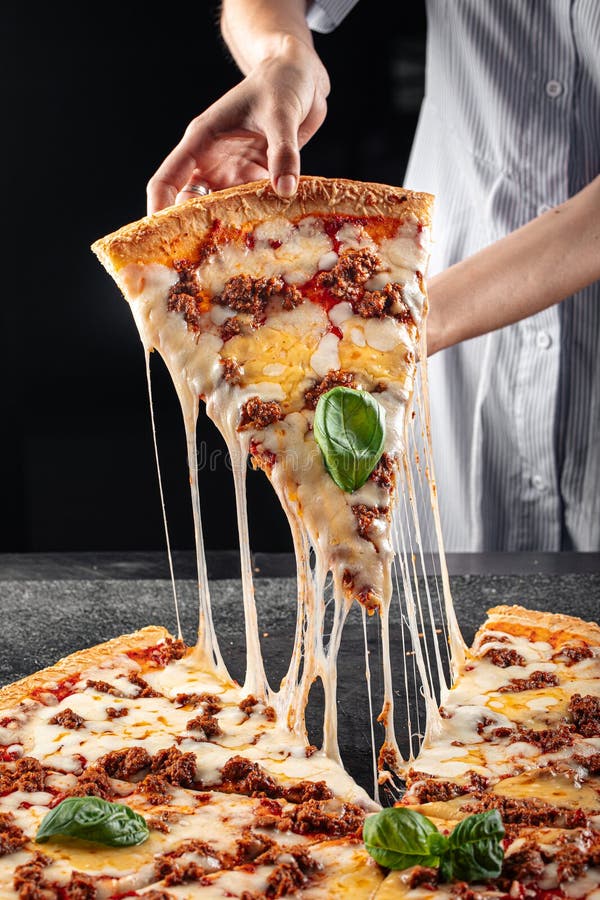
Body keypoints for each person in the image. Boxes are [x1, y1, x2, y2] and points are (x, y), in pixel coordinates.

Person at [147, 0, 600, 552]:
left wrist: (403, 325)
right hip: (435, 286)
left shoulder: (404, 323)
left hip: (446, 305)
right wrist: (281, 56)